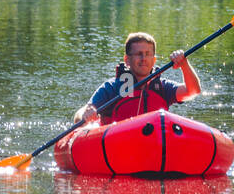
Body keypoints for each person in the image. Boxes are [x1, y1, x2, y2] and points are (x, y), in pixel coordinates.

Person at [73, 32, 201, 125]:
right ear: (127, 60)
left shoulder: (162, 87)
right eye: (139, 54)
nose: (143, 58)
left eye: (147, 54)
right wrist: (87, 112)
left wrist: (184, 64)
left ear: (154, 60)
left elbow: (193, 91)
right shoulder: (112, 88)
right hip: (117, 146)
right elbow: (83, 113)